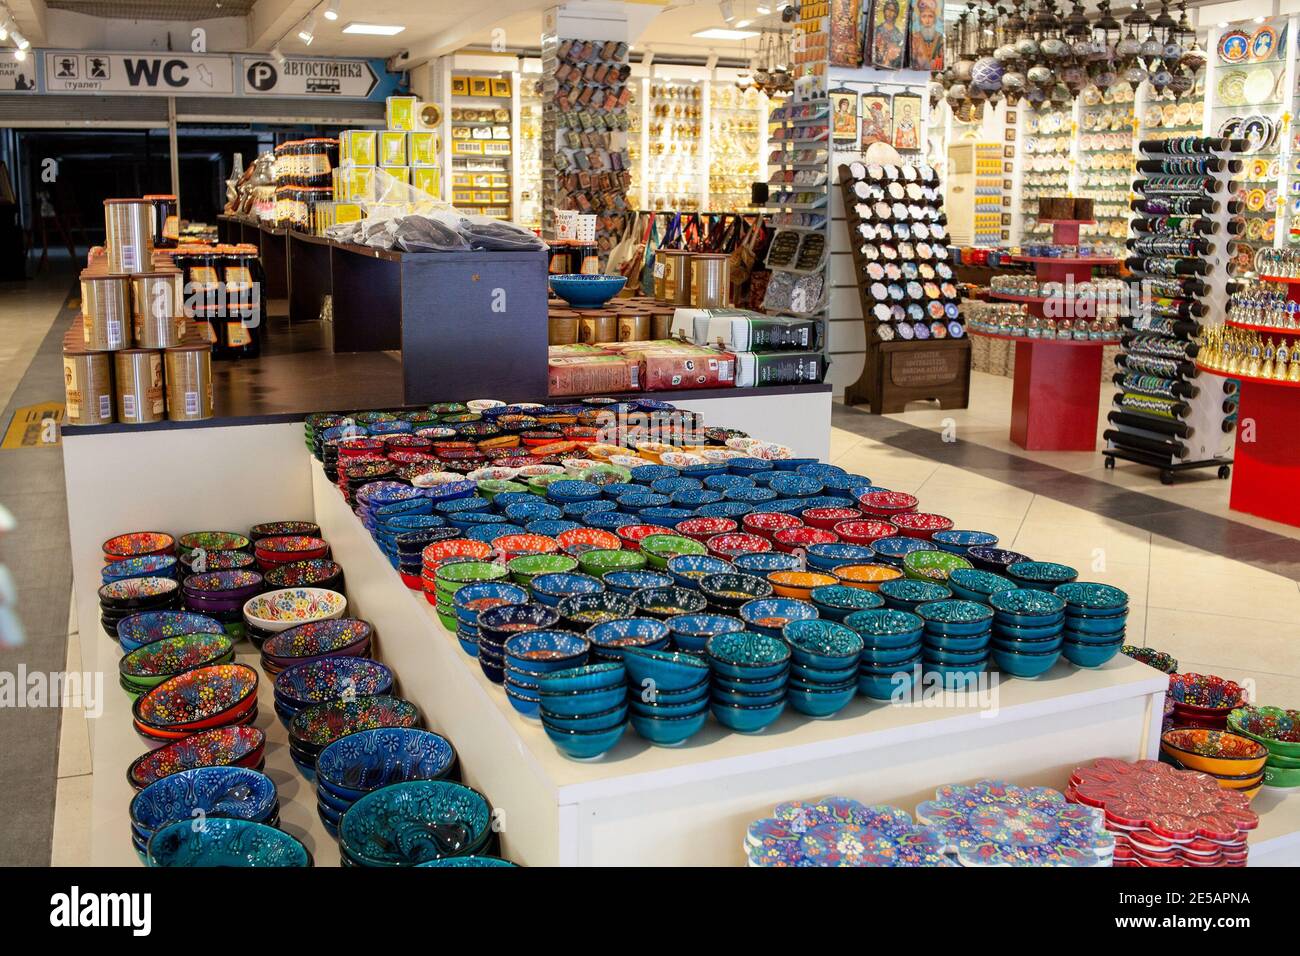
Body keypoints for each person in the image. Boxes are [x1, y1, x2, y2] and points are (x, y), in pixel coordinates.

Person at [910, 0, 944, 71]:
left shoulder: (939, 37)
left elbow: (940, 56)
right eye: (924, 16)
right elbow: (914, 58)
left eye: (930, 16)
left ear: (934, 19)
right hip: (918, 72)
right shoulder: (915, 37)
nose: (927, 20)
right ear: (920, 19)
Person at [872, 0, 906, 70]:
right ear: (884, 11)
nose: (889, 13)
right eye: (887, 9)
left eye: (892, 10)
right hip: (876, 66)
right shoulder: (877, 30)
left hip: (893, 68)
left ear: (896, 14)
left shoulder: (899, 35)